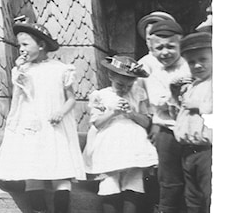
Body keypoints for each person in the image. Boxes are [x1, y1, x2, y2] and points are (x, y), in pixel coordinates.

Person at [0, 17, 85, 213]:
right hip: (32, 125)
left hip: (55, 125)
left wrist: (61, 112)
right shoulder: (22, 70)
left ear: (41, 45)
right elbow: (21, 96)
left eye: (25, 44)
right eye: (19, 45)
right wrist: (20, 70)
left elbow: (71, 99)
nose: (21, 49)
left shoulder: (60, 70)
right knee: (32, 172)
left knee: (60, 171)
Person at [83, 55, 157, 213]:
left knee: (134, 179)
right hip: (110, 143)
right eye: (120, 84)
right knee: (110, 180)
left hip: (133, 143)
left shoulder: (138, 94)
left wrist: (132, 113)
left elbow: (146, 122)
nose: (124, 89)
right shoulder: (101, 95)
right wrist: (113, 112)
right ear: (111, 76)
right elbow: (96, 123)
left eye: (129, 86)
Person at [135, 15, 189, 213]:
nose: (165, 52)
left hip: (193, 131)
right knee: (168, 179)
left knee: (194, 177)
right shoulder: (150, 70)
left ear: (180, 44)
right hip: (166, 130)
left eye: (170, 47)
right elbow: (155, 101)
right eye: (159, 48)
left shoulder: (190, 65)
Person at [174, 31, 212, 213]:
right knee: (193, 197)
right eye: (191, 62)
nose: (197, 65)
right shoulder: (192, 86)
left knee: (211, 195)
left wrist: (198, 105)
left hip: (209, 151)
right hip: (189, 151)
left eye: (203, 59)